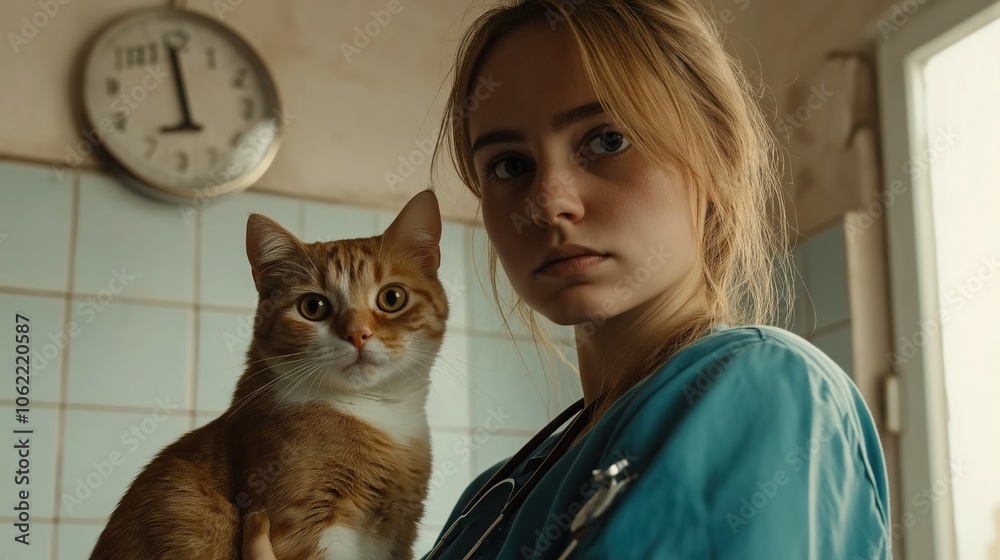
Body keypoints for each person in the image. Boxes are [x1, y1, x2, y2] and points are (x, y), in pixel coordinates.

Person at [244, 0, 892, 558]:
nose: (549, 200)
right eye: (509, 165)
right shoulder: (495, 496)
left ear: (717, 155)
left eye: (607, 140)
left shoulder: (760, 389)